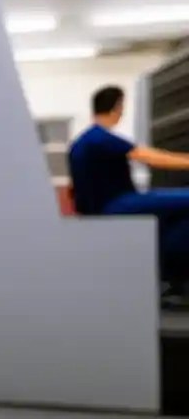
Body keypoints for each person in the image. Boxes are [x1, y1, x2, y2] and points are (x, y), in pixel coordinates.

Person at [69, 85, 189, 289]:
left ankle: (172, 274)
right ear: (118, 106)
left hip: (99, 208)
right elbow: (150, 158)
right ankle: (172, 272)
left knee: (174, 217)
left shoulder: (81, 141)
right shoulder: (101, 138)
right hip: (116, 205)